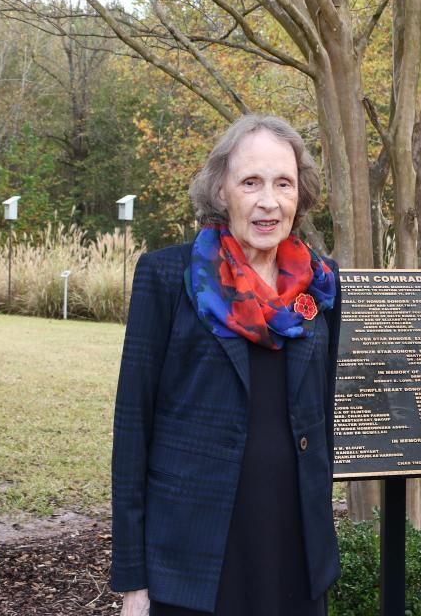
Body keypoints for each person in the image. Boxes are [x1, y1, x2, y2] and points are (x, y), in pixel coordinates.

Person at [111, 115, 341, 616]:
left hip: (295, 549)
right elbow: (132, 427)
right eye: (250, 182)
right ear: (220, 189)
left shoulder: (321, 285)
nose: (268, 201)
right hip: (195, 555)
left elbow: (321, 413)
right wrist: (134, 580)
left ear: (300, 194)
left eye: (283, 183)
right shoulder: (168, 276)